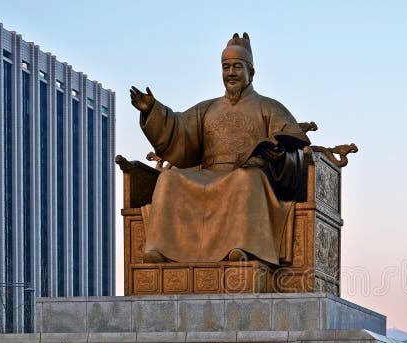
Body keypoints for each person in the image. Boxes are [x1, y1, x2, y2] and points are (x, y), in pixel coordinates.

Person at [129, 33, 310, 265]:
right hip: (208, 172)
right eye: (226, 67)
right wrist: (152, 110)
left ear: (251, 73)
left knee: (246, 180)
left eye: (237, 67)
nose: (231, 73)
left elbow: (293, 146)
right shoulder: (207, 109)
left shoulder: (270, 107)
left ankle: (242, 248)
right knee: (169, 179)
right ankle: (161, 249)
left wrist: (280, 155)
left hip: (250, 175)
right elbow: (178, 131)